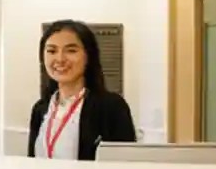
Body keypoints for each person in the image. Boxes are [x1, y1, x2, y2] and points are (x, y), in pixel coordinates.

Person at [27, 19, 136, 161]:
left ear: (88, 56)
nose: (60, 58)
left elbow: (125, 167)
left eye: (71, 50)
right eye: (52, 51)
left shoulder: (111, 107)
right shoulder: (40, 109)